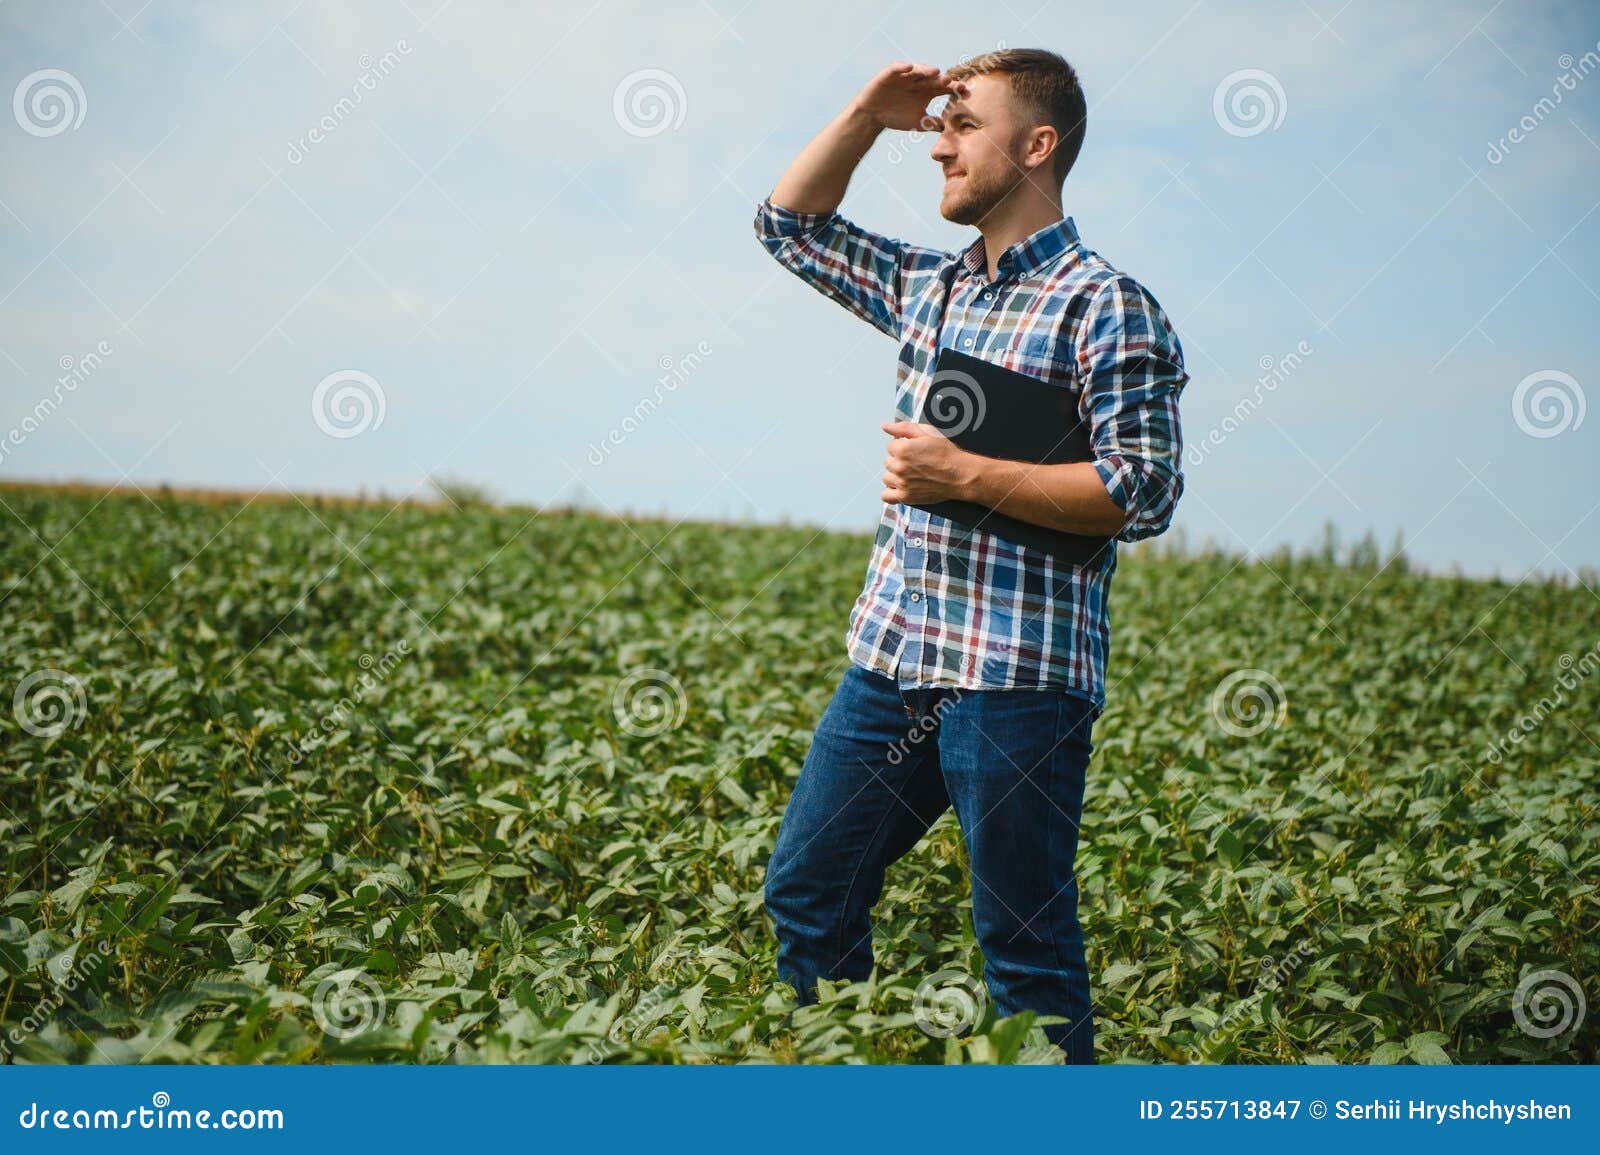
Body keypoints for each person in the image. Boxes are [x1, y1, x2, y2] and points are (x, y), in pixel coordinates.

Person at [753, 49, 1188, 1064]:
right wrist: (866, 112)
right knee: (808, 892)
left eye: (961, 124)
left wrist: (968, 475)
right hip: (893, 667)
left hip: (1019, 682)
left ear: (1036, 146)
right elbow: (788, 226)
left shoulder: (1104, 305)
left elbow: (1143, 491)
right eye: (936, 125)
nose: (937, 144)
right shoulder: (926, 284)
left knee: (1023, 953)